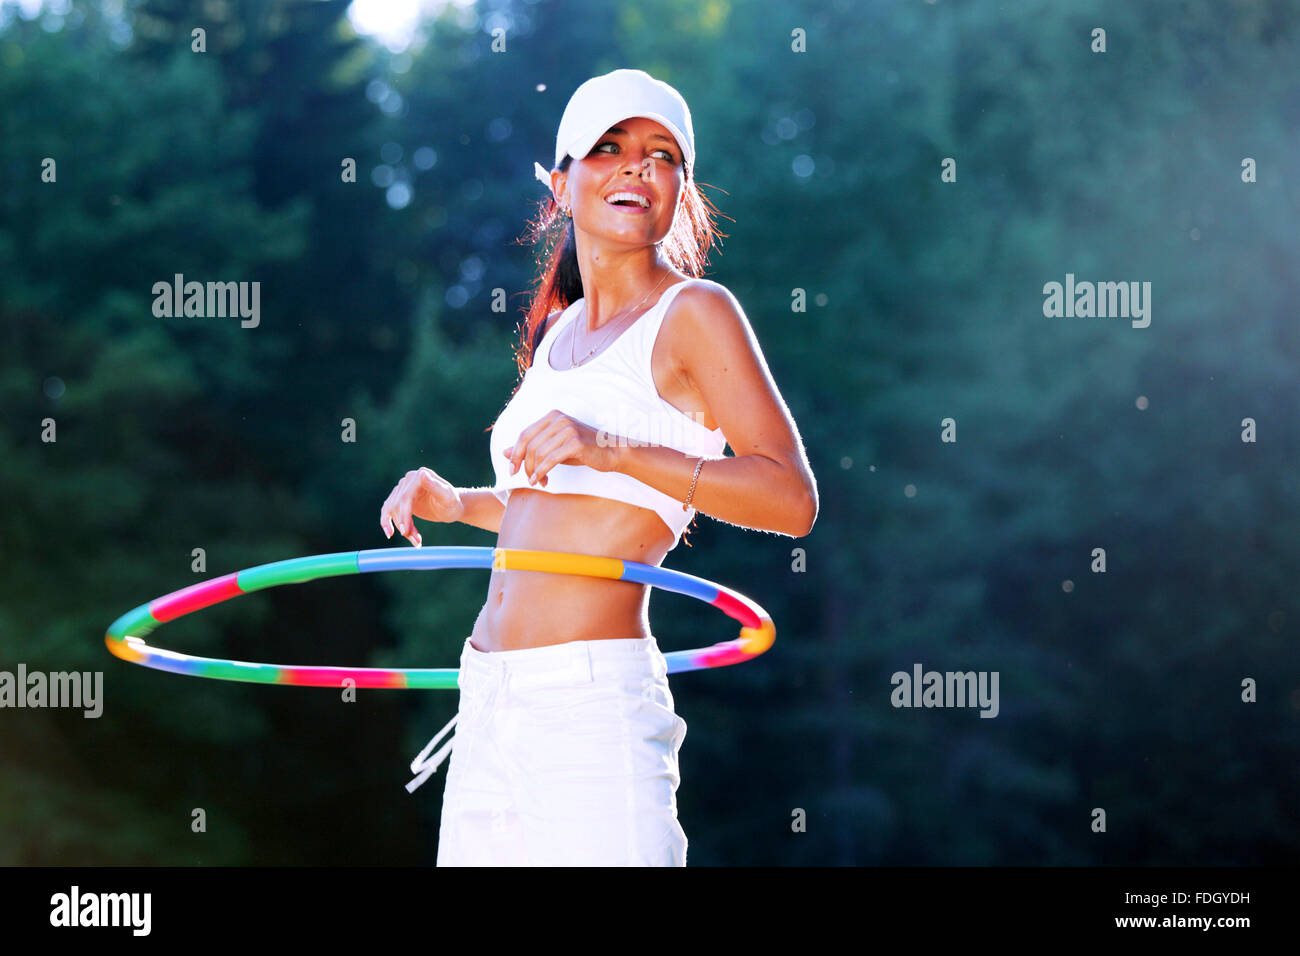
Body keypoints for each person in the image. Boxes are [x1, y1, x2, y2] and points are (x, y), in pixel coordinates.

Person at [378, 69, 818, 866]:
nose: (635, 167)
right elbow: (553, 506)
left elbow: (789, 498)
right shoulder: (558, 334)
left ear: (680, 187)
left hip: (589, 703)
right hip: (487, 695)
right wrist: (459, 503)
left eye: (660, 155)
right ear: (561, 183)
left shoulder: (696, 313)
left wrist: (613, 446)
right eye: (608, 148)